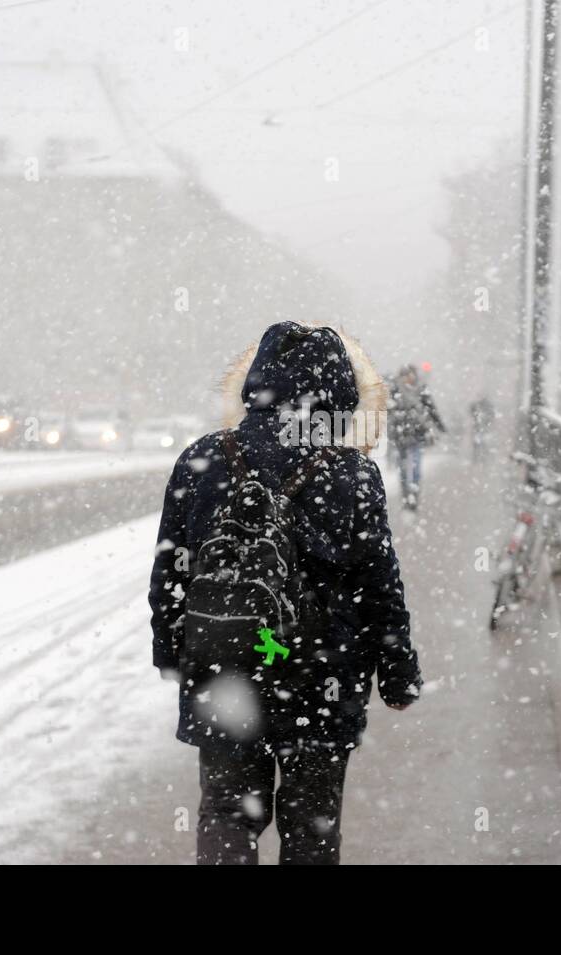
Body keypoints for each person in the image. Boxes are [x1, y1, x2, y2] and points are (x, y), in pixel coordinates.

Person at [148, 321, 423, 865]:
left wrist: (171, 650)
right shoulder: (354, 473)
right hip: (320, 676)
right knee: (311, 824)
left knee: (227, 811)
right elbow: (377, 586)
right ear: (338, 395)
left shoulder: (202, 459)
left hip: (225, 668)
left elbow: (171, 571)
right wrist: (396, 668)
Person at [386, 364, 446, 510]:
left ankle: (414, 497)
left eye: (411, 375)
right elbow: (387, 408)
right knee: (403, 469)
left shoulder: (421, 389)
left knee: (416, 469)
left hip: (416, 435)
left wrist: (440, 425)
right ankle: (407, 496)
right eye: (406, 375)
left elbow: (431, 407)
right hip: (401, 435)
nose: (409, 378)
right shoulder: (395, 389)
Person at [468, 394, 495, 463]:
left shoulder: (480, 406)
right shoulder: (483, 406)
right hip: (481, 427)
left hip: (481, 427)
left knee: (480, 443)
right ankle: (480, 458)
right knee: (480, 442)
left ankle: (479, 458)